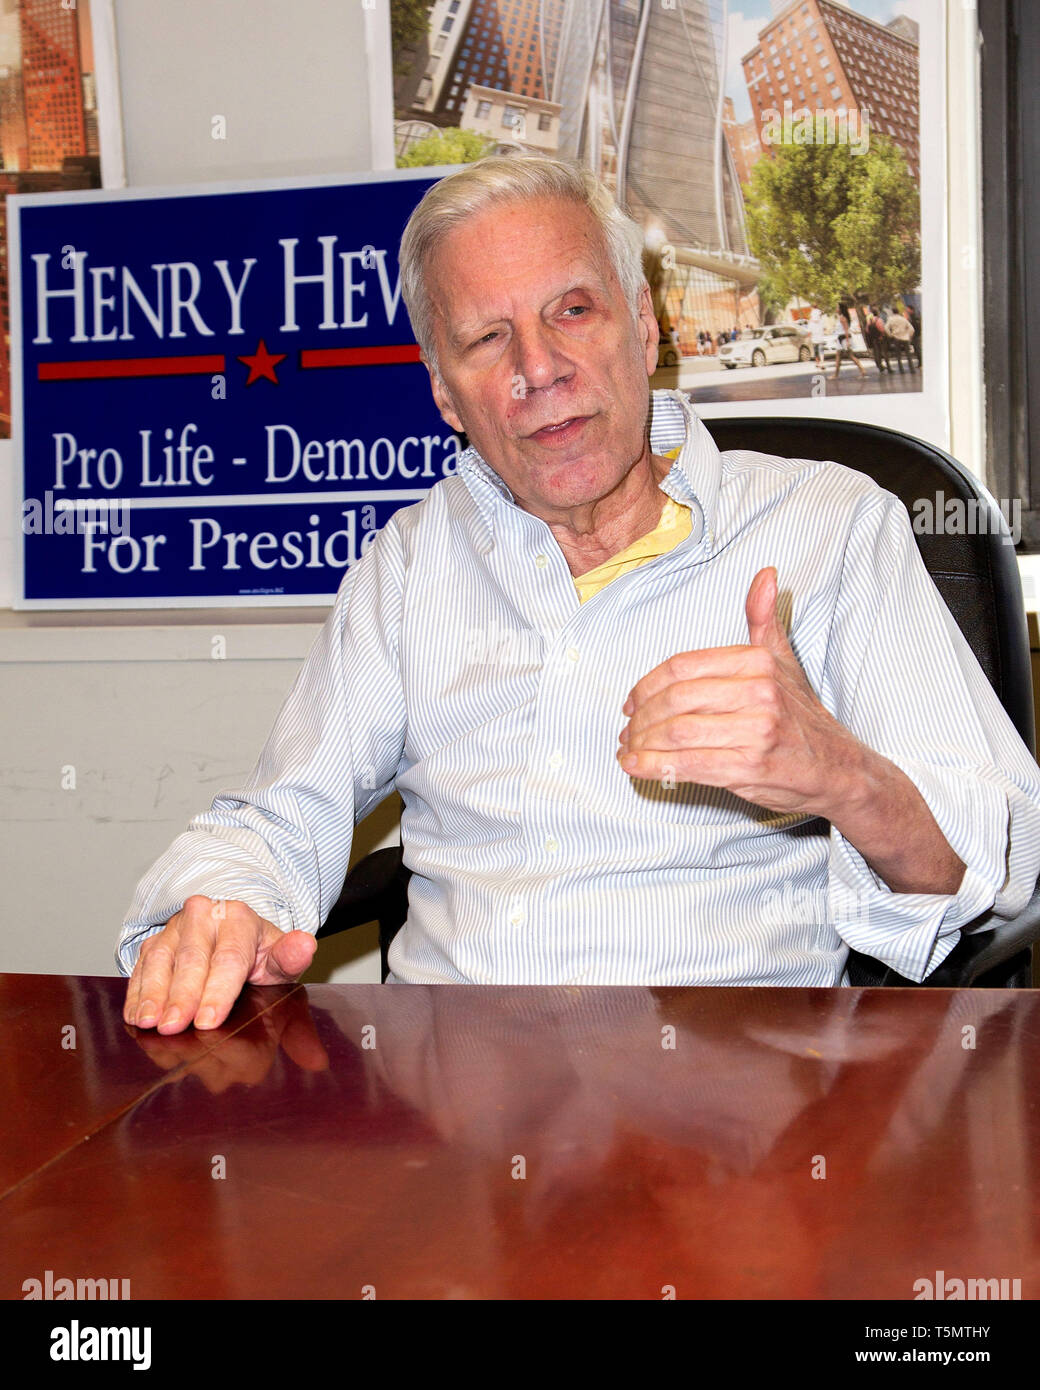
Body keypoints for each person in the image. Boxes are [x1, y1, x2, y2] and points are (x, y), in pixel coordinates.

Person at [119, 153, 1040, 1034]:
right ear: (446, 395)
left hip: (727, 1131)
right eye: (487, 338)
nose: (539, 368)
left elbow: (1005, 862)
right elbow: (282, 816)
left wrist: (841, 775)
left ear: (643, 327)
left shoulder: (830, 525)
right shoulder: (411, 562)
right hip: (452, 1136)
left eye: (572, 310)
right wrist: (219, 912)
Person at [831, 300, 865, 379]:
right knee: (839, 357)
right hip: (841, 339)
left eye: (837, 307)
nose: (836, 309)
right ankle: (835, 374)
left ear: (840, 309)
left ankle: (862, 370)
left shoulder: (843, 318)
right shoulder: (841, 317)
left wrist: (847, 341)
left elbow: (846, 330)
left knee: (851, 356)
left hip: (844, 339)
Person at [885, 303, 916, 373]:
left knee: (898, 355)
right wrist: (909, 336)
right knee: (908, 354)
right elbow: (912, 329)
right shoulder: (903, 319)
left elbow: (886, 328)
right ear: (898, 312)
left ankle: (901, 369)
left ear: (892, 312)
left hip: (896, 338)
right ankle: (912, 369)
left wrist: (890, 335)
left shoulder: (891, 319)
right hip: (905, 338)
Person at [866, 305, 890, 373]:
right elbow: (882, 329)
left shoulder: (869, 320)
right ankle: (888, 367)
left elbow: (867, 330)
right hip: (880, 338)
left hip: (874, 339)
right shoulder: (879, 320)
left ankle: (880, 367)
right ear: (877, 313)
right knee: (884, 352)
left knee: (877, 353)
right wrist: (883, 335)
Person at [808, 303, 825, 367]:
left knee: (816, 351)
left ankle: (817, 363)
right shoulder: (821, 320)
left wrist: (809, 337)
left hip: (814, 338)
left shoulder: (811, 321)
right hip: (820, 337)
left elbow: (809, 331)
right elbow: (824, 328)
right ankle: (822, 363)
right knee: (821, 350)